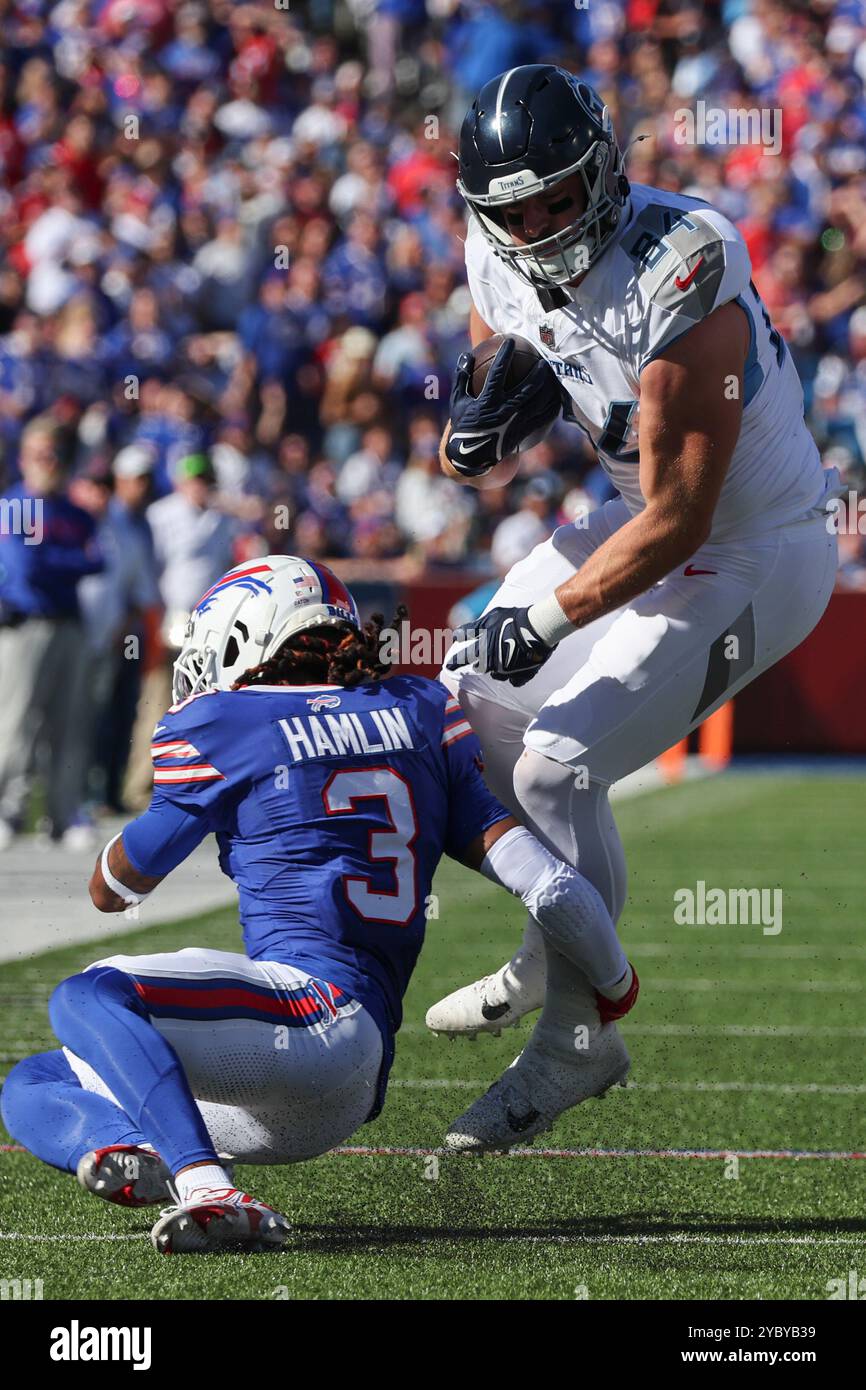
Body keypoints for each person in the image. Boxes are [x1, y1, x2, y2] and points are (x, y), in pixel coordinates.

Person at [429, 66, 843, 1152]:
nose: (537, 230)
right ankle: (554, 942)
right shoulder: (493, 247)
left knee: (555, 768)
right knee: (462, 703)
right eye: (515, 214)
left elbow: (681, 517)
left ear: (604, 173)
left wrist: (549, 618)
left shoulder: (679, 261)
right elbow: (502, 350)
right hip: (640, 517)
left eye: (557, 201)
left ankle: (578, 1033)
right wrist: (482, 416)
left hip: (755, 549)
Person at [1, 555, 638, 1255]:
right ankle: (141, 1150)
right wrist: (614, 985)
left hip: (306, 1014)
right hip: (348, 1084)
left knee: (88, 996)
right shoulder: (419, 710)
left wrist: (189, 796)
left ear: (246, 635)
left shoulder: (226, 723)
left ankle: (206, 1186)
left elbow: (114, 888)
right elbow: (549, 883)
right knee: (37, 1079)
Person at [0, 415, 104, 848]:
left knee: (69, 724)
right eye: (40, 454)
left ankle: (64, 814)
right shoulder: (17, 504)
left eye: (56, 454)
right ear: (24, 458)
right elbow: (27, 568)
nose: (49, 462)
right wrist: (69, 560)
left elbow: (99, 560)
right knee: (16, 722)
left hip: (70, 624)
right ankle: (8, 811)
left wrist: (56, 558)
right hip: (27, 625)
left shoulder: (75, 512)